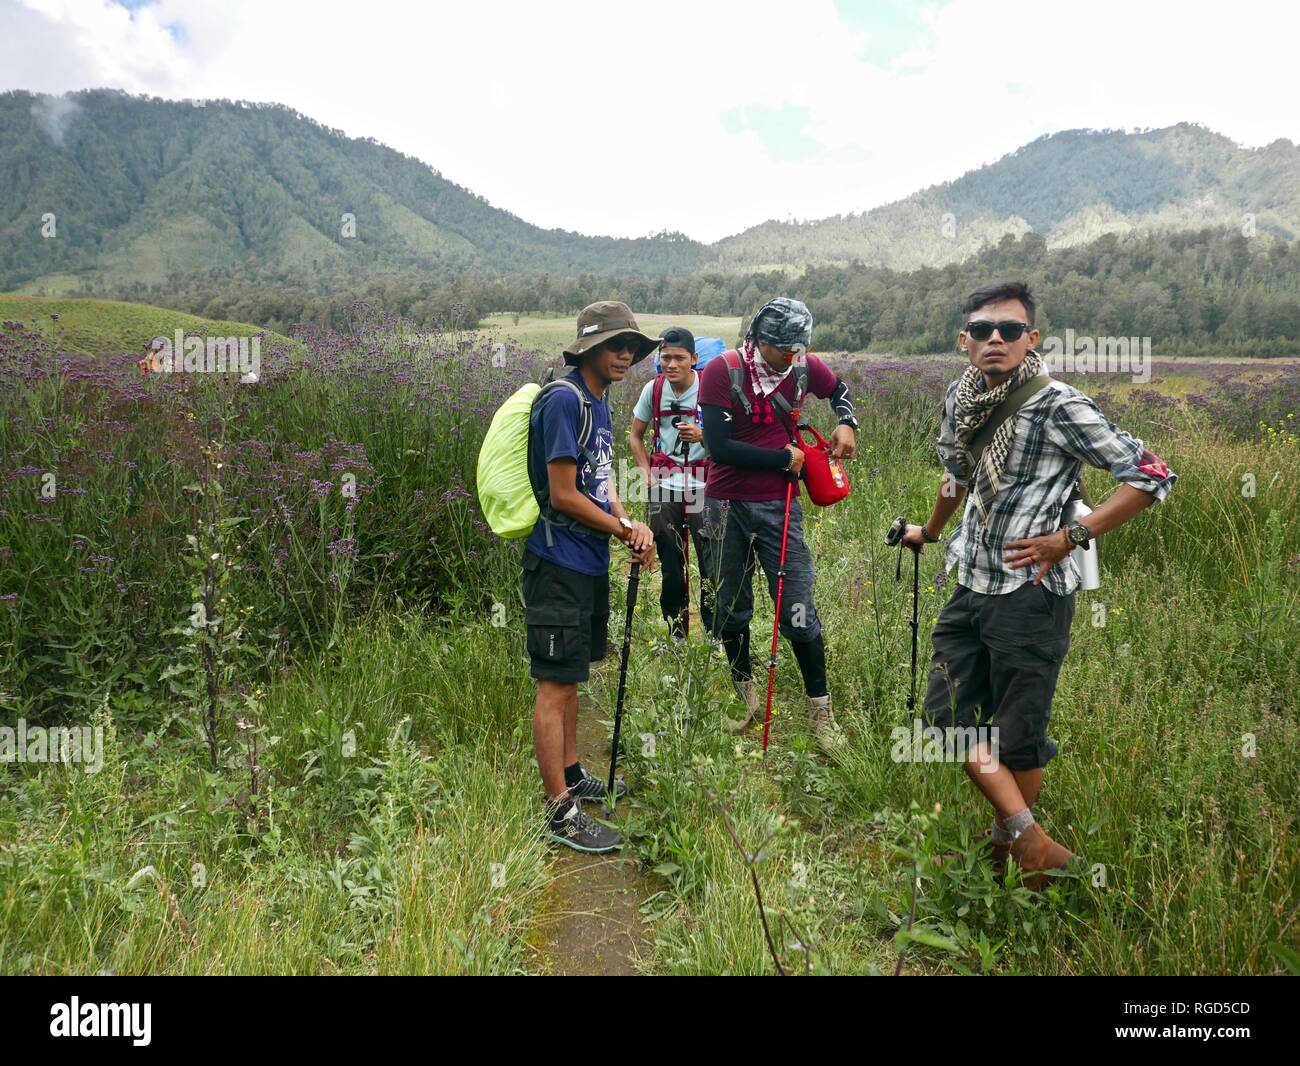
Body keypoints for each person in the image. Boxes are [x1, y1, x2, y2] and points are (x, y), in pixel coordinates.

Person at [903, 280, 1176, 887]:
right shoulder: (961, 397)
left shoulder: (1058, 404)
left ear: (1032, 339)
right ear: (964, 340)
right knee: (945, 721)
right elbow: (956, 474)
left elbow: (1152, 474)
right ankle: (1032, 841)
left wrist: (1072, 539)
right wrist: (928, 529)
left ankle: (1011, 856)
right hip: (969, 577)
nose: (993, 339)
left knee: (1019, 733)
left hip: (1031, 590)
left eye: (1008, 329)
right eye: (981, 330)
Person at [523, 301, 658, 853]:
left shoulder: (598, 405)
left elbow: (599, 484)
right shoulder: (564, 400)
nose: (625, 353)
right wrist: (623, 531)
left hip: (586, 560)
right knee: (554, 683)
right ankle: (558, 811)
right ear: (589, 349)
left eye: (631, 346)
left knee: (573, 674)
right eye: (614, 344)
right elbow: (562, 494)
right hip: (556, 561)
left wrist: (628, 523)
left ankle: (574, 775)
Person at [698, 297, 859, 741]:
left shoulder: (804, 366)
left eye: (799, 348)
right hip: (725, 503)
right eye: (783, 349)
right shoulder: (723, 371)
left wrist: (847, 421)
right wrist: (782, 458)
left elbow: (838, 389)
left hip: (781, 505)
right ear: (758, 340)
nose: (792, 357)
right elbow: (720, 446)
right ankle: (744, 694)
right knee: (731, 604)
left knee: (799, 608)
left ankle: (821, 715)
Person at [628, 326, 712, 640]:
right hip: (663, 482)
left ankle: (715, 634)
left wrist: (704, 435)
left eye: (679, 358)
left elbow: (730, 437)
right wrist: (645, 474)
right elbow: (635, 436)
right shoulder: (654, 389)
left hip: (704, 482)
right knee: (671, 563)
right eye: (665, 358)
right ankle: (677, 633)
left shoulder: (710, 388)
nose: (672, 364)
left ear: (694, 358)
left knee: (710, 562)